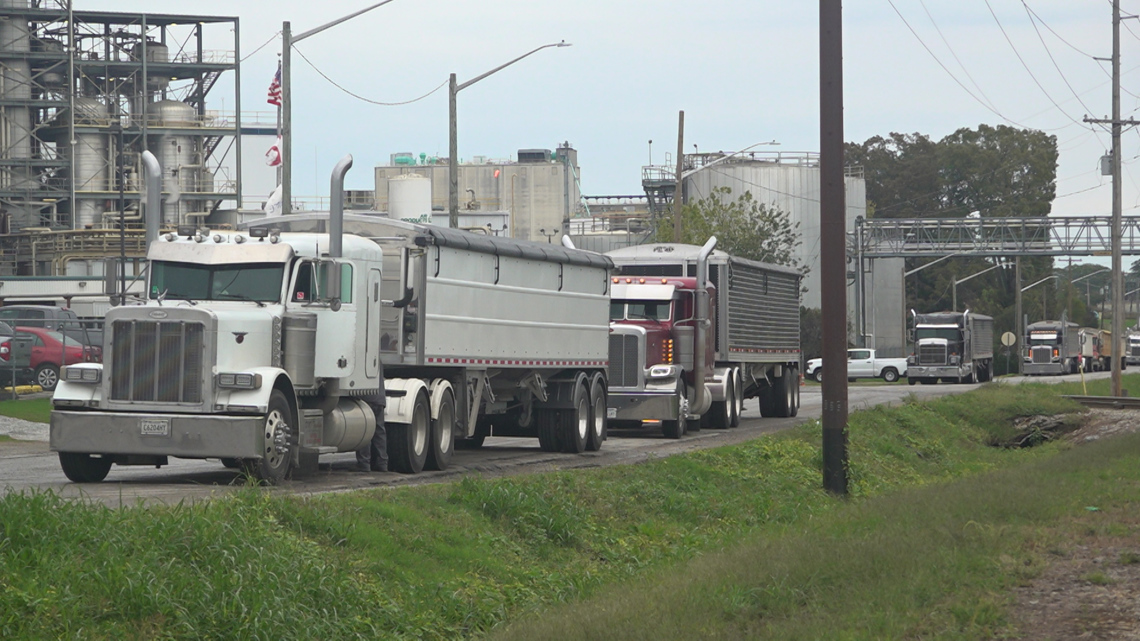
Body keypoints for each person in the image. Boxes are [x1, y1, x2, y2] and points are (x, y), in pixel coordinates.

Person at [355, 375, 388, 472]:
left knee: (365, 431)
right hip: (379, 398)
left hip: (366, 398)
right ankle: (382, 463)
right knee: (379, 432)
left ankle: (363, 463)